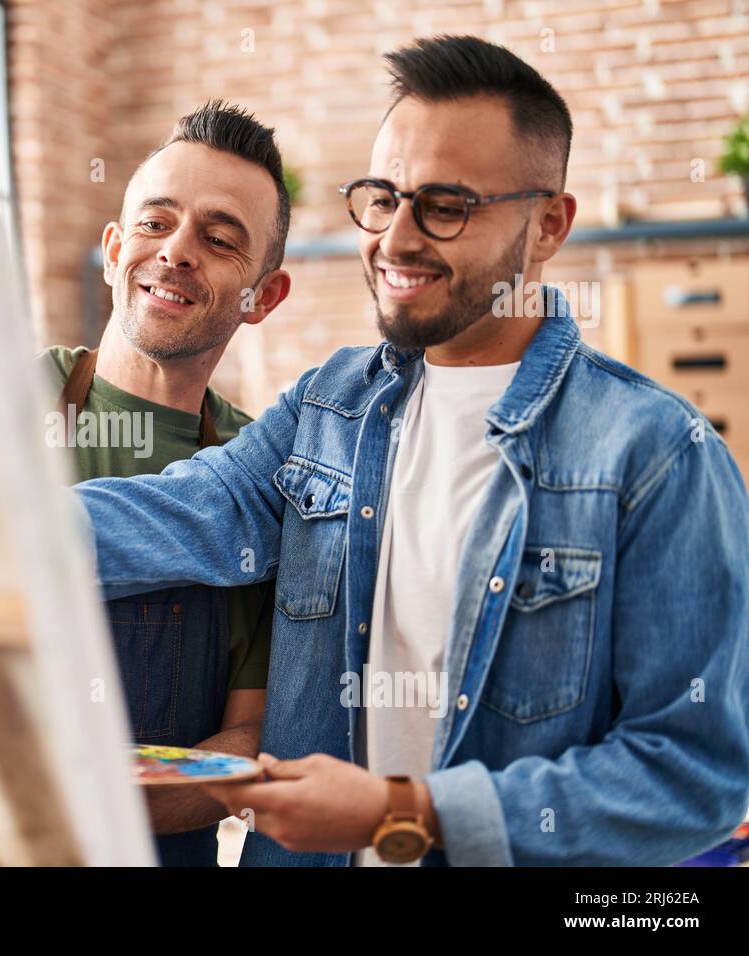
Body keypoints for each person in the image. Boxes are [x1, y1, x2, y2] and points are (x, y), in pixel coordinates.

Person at [73, 36, 749, 866]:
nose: (397, 238)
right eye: (383, 197)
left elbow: (695, 777)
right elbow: (181, 512)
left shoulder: (656, 457)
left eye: (446, 205)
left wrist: (403, 813)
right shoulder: (331, 407)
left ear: (548, 224)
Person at [41, 100, 291, 865]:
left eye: (219, 240)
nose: (177, 252)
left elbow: (248, 738)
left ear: (263, 298)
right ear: (115, 248)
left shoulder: (267, 479)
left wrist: (86, 802)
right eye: (155, 224)